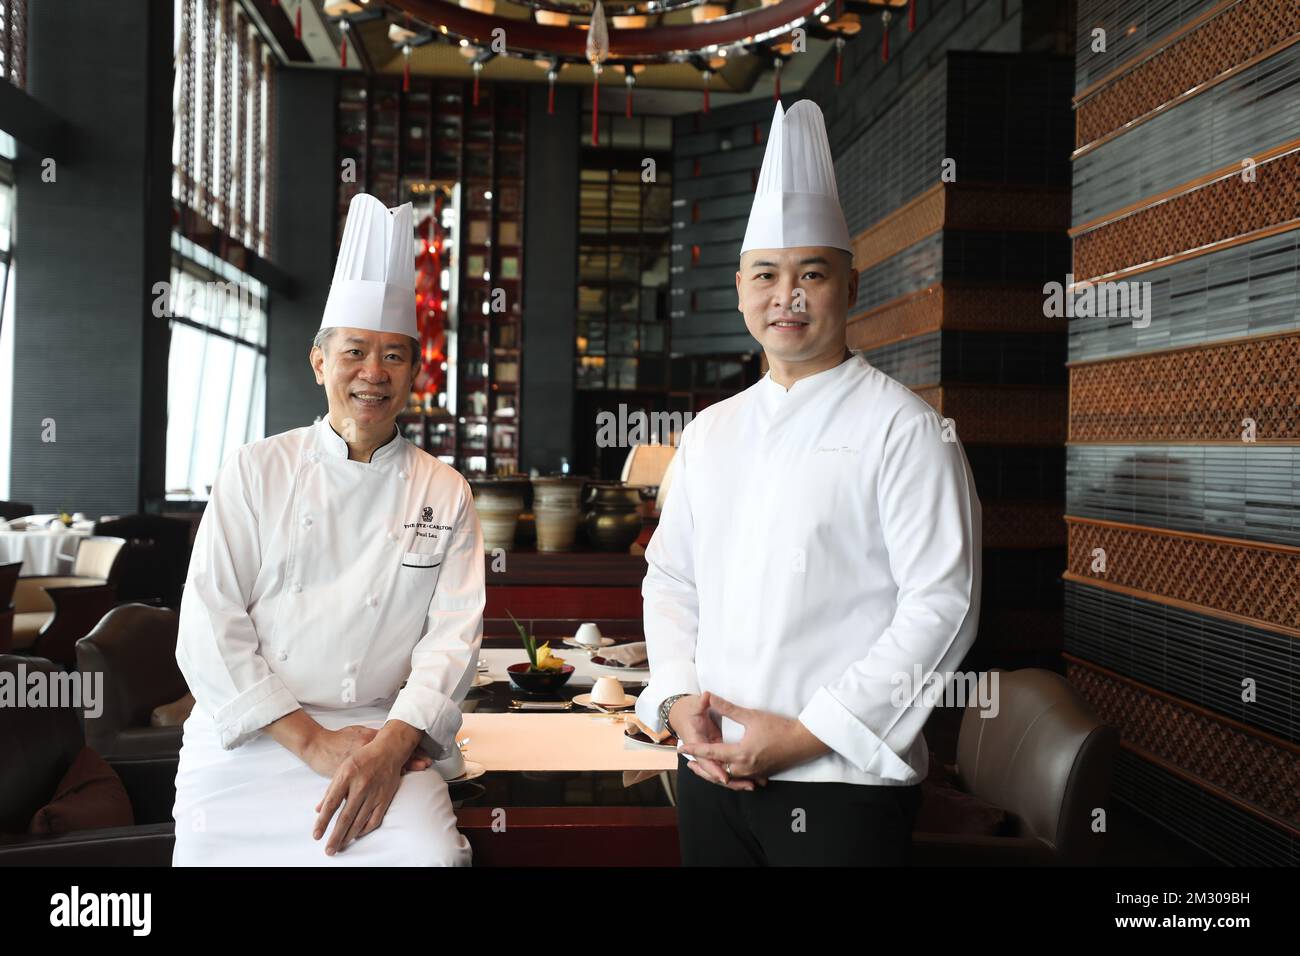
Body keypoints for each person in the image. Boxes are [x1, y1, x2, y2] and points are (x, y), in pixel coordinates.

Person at [635, 100, 983, 866]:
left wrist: (805, 732)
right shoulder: (710, 431)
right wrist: (676, 696)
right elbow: (671, 578)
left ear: (849, 289)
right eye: (767, 275)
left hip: (842, 781)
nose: (785, 296)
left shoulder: (905, 429)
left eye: (811, 274)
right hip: (710, 771)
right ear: (738, 290)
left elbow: (942, 605)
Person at [171, 193, 484, 865]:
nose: (374, 374)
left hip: (381, 733)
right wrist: (308, 739)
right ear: (320, 363)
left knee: (433, 858)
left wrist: (396, 743)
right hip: (256, 732)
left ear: (417, 374)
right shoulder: (255, 471)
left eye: (395, 357)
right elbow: (207, 625)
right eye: (354, 352)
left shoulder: (444, 490)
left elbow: (451, 643)